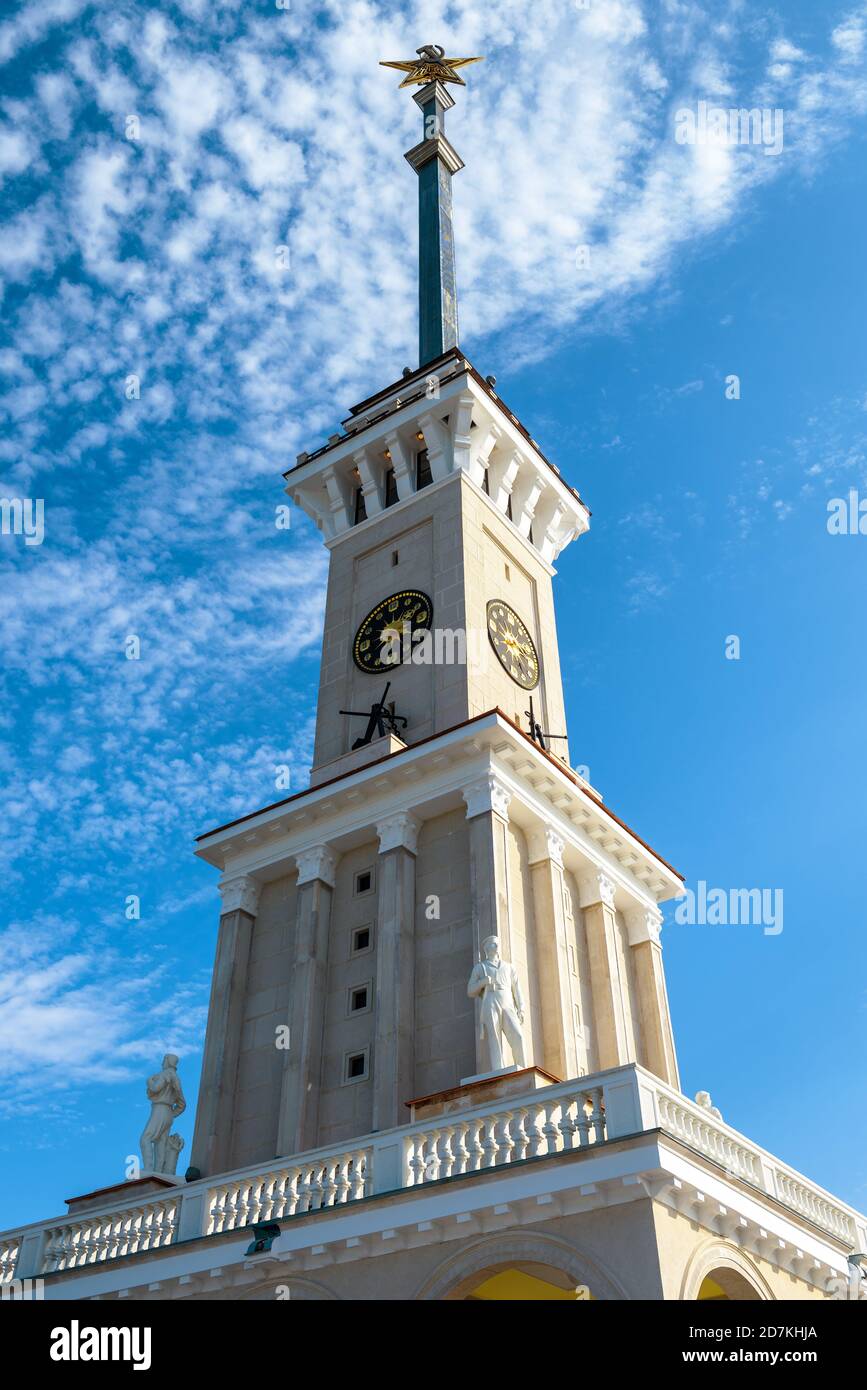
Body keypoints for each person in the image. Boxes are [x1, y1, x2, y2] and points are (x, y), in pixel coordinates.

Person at [467, 935, 526, 1072]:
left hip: (507, 1001)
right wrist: (483, 982)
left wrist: (521, 1008)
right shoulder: (480, 967)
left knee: (518, 1035)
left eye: (497, 944)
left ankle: (523, 1067)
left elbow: (517, 990)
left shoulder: (509, 967)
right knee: (494, 1037)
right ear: (486, 948)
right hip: (490, 1001)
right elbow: (470, 991)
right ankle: (498, 1070)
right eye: (493, 944)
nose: (496, 946)